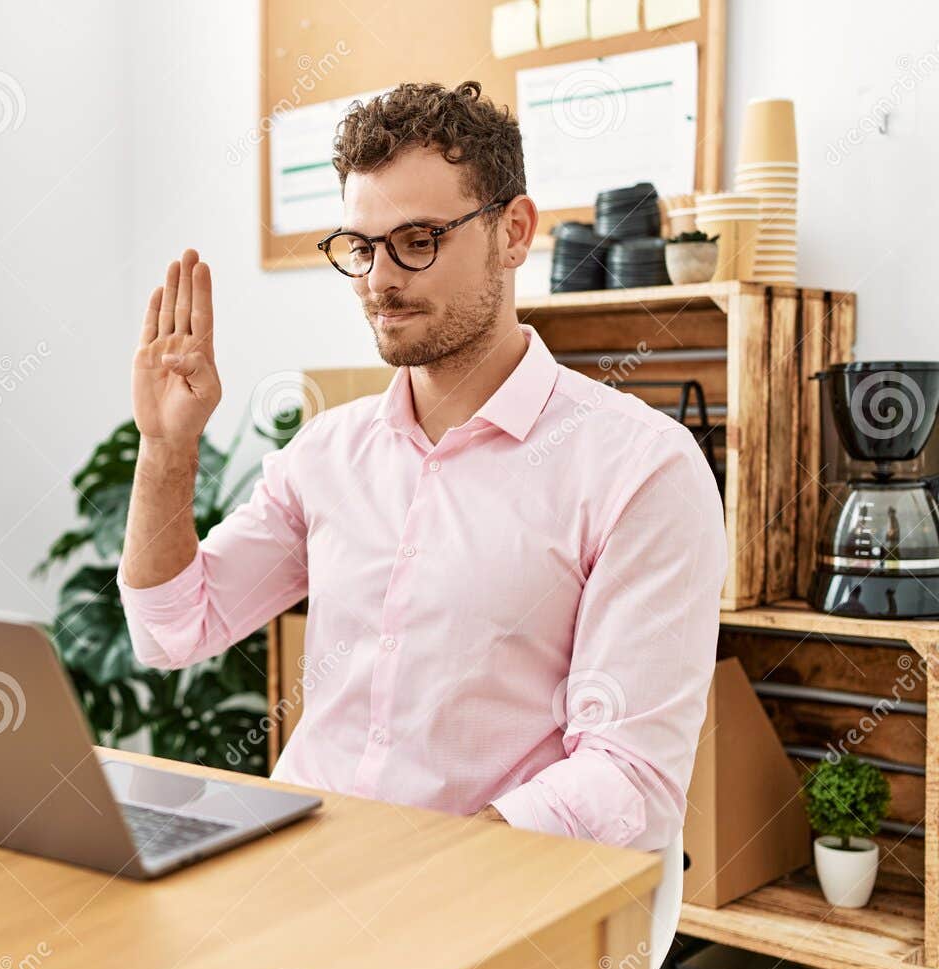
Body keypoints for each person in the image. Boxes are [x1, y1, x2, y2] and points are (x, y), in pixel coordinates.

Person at [116, 81, 725, 850]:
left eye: (417, 240)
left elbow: (627, 776)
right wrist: (166, 448)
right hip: (299, 865)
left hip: (484, 886)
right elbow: (171, 631)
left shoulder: (640, 468)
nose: (379, 280)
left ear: (514, 232)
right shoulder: (327, 454)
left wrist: (428, 871)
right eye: (361, 247)